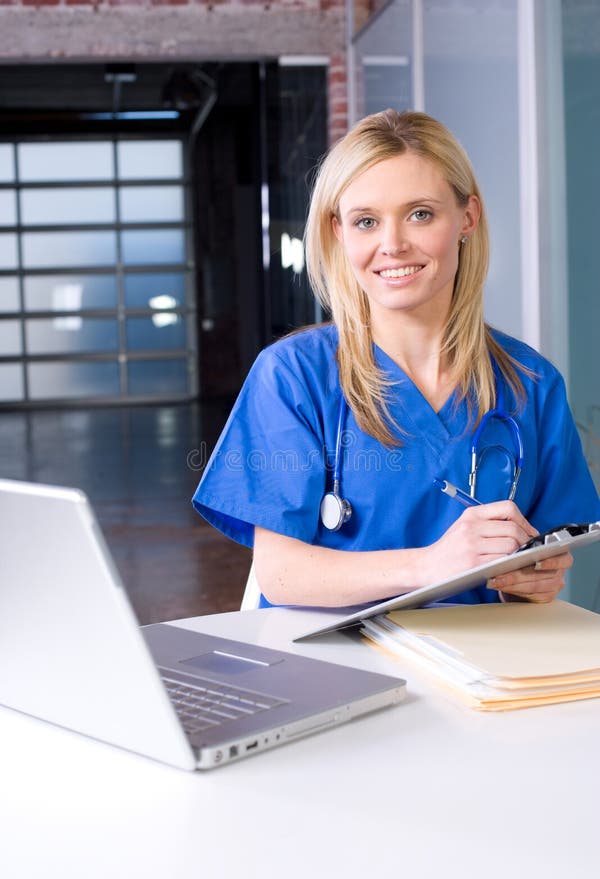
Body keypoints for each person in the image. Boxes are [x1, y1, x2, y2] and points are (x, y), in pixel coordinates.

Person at [193, 109, 600, 609]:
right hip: (336, 667)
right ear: (340, 234)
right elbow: (280, 575)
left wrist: (538, 577)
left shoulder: (530, 383)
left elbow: (550, 549)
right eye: (366, 221)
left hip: (479, 662)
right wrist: (430, 564)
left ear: (467, 218)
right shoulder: (293, 376)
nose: (392, 245)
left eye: (420, 214)